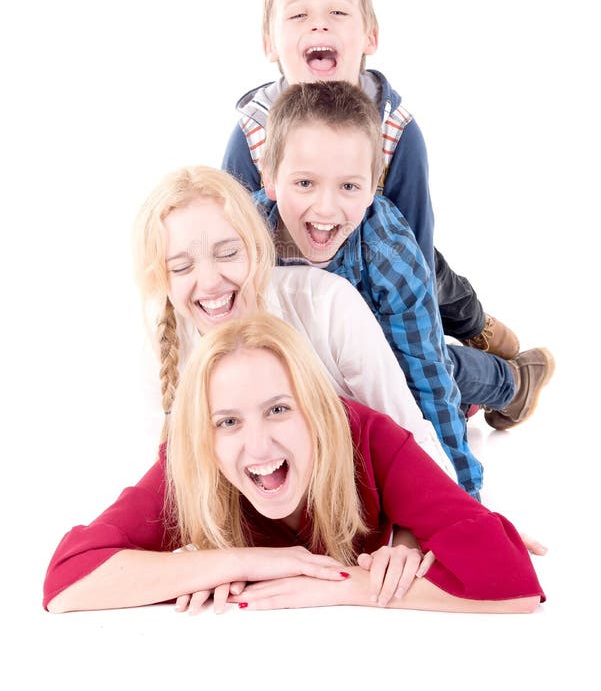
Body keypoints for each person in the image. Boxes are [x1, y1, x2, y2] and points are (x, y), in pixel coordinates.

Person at [44, 313, 544, 615]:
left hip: (418, 389)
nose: (258, 446)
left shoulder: (370, 438)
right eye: (228, 422)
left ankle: (500, 381)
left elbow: (517, 585)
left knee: (446, 393)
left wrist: (352, 587)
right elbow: (66, 579)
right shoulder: (190, 460)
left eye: (279, 410)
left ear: (317, 410)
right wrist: (237, 562)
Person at [222, 0, 519, 361]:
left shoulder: (395, 130)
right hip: (302, 262)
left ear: (370, 36)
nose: (319, 25)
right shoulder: (253, 134)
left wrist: (411, 339)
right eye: (299, 15)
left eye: (338, 13)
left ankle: (477, 328)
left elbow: (415, 254)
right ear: (270, 43)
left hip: (389, 260)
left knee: (433, 292)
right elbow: (232, 242)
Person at [255, 81, 555, 498]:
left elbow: (427, 378)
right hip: (323, 369)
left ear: (373, 186)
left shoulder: (388, 255)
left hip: (397, 358)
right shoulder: (244, 237)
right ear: (271, 179)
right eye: (305, 183)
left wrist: (461, 502)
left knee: (432, 370)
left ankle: (514, 382)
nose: (325, 207)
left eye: (348, 186)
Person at [133, 164, 454, 477]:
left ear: (256, 249)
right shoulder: (161, 348)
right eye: (181, 267)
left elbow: (416, 449)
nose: (209, 282)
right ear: (161, 280)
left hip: (360, 493)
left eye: (228, 253)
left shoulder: (329, 305)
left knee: (458, 370)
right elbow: (160, 485)